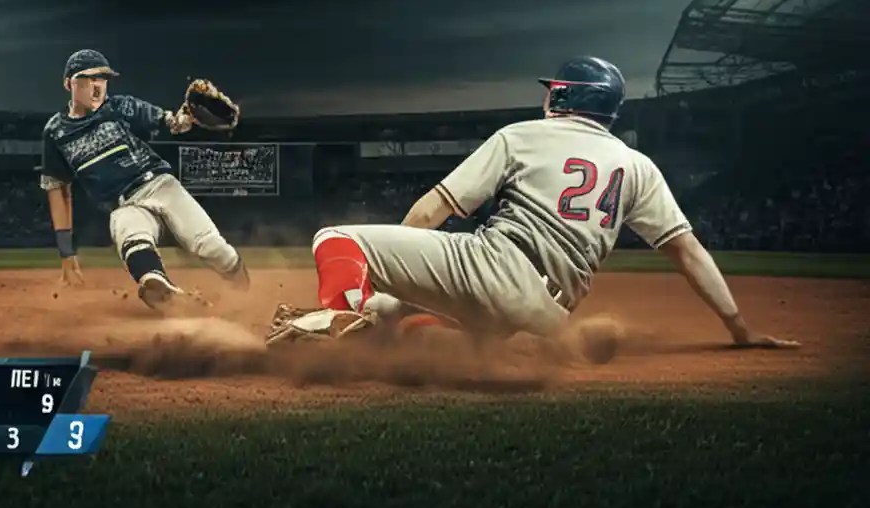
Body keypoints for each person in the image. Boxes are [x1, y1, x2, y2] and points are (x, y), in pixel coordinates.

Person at [269, 56, 800, 353]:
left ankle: (337, 317)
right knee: (397, 315)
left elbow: (433, 211)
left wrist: (404, 266)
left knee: (336, 239)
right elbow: (690, 254)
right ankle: (424, 330)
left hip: (494, 267)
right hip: (547, 313)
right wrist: (739, 329)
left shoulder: (522, 135)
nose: (547, 97)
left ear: (567, 98)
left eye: (555, 90)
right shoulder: (638, 166)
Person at [39, 49, 250, 309]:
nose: (96, 87)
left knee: (212, 248)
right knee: (131, 234)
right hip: (124, 204)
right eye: (88, 78)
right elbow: (57, 189)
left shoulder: (120, 106)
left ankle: (248, 297)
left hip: (159, 185)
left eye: (102, 79)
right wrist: (66, 254)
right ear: (68, 83)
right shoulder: (55, 132)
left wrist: (187, 117)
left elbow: (171, 122)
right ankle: (159, 287)